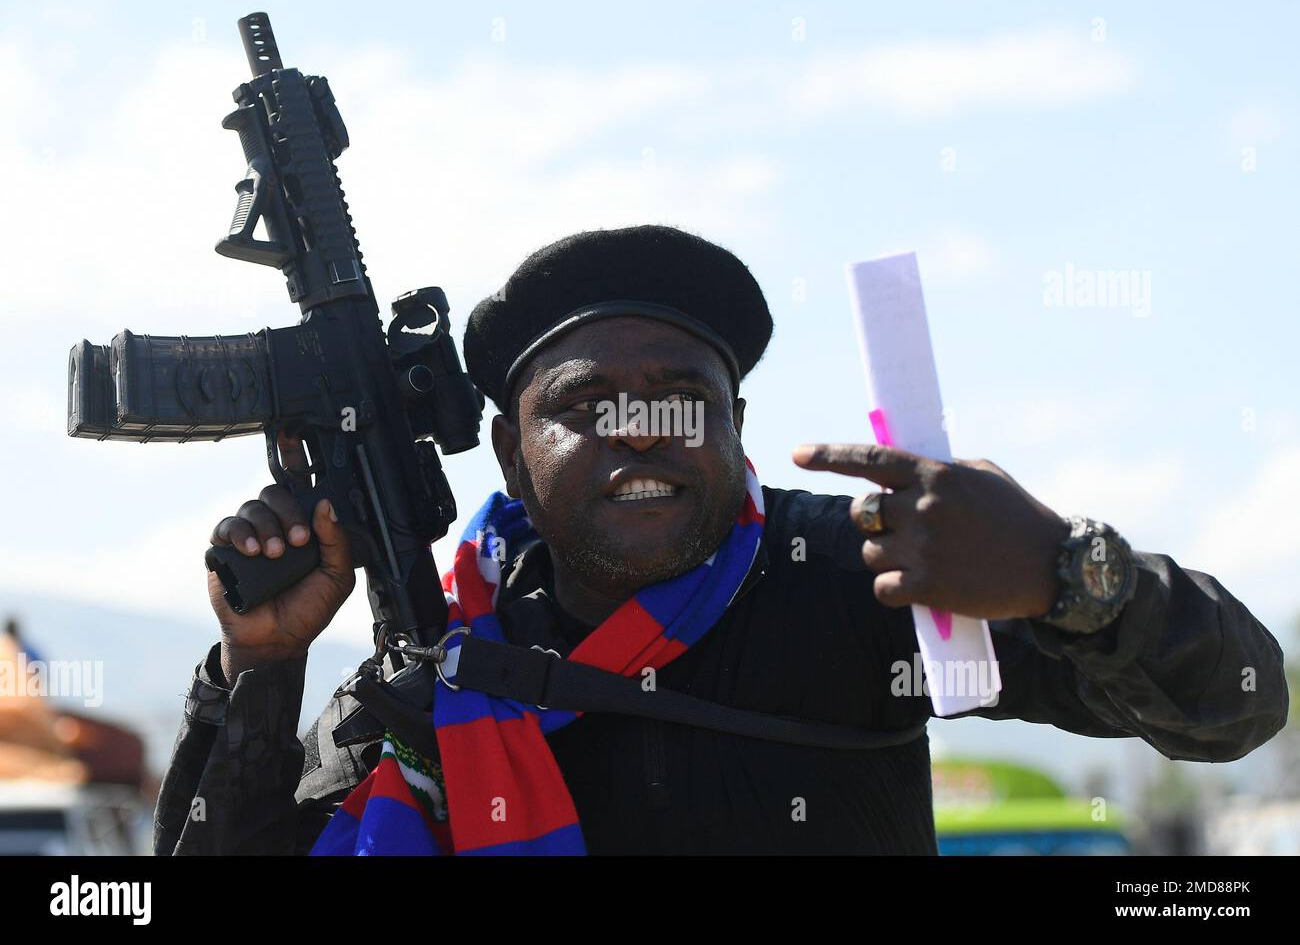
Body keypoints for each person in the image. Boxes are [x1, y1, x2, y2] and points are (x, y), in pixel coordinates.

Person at [153, 225, 1288, 855]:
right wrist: (260, 667)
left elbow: (1239, 704)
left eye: (679, 396)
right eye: (586, 404)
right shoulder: (443, 665)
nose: (639, 430)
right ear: (510, 454)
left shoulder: (873, 578)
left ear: (735, 427)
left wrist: (1066, 574)